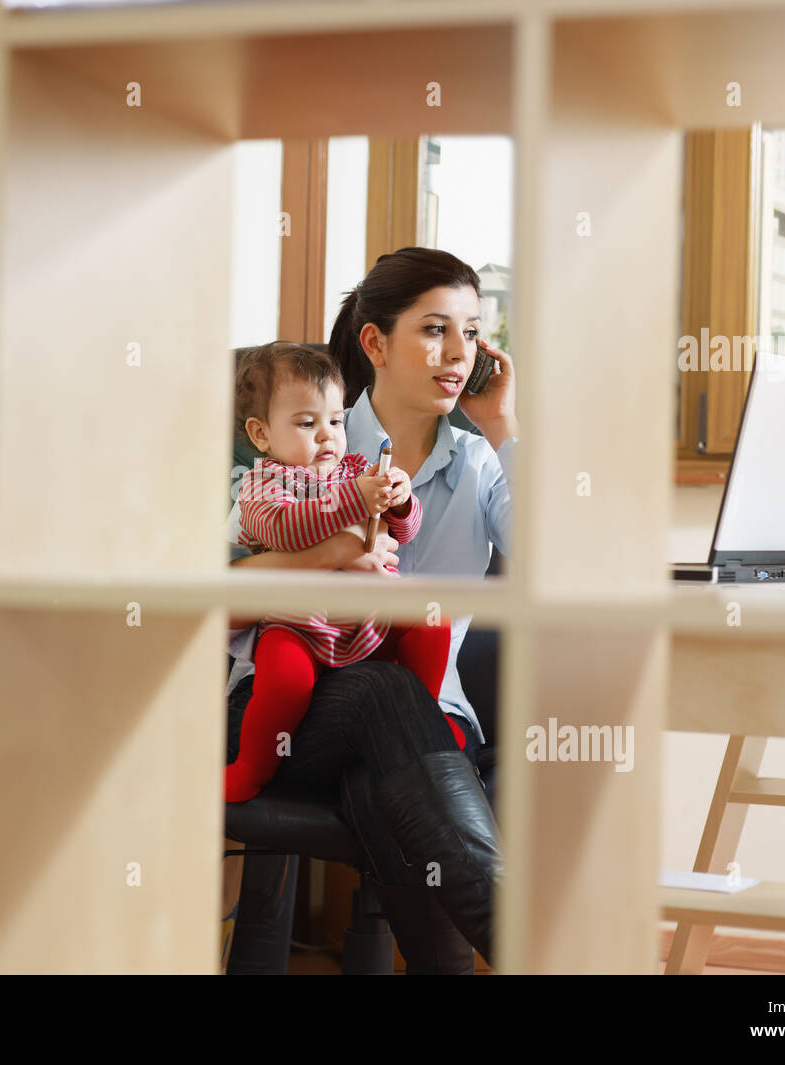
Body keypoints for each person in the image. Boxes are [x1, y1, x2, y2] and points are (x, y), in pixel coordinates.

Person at [225, 246, 517, 974]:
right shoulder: (304, 434)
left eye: (472, 333)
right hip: (283, 707)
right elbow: (209, 597)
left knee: (387, 743)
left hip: (416, 725)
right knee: (389, 698)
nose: (458, 353)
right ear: (375, 342)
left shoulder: (481, 464)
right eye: (434, 329)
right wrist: (324, 558)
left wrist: (504, 426)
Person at [225, 342, 458, 803]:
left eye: (335, 420)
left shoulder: (352, 470)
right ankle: (252, 764)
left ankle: (425, 714)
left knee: (432, 614)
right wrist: (355, 501)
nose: (328, 436)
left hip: (367, 618)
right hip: (298, 624)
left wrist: (401, 499)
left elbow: (403, 533)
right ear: (261, 434)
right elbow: (286, 529)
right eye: (307, 423)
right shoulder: (261, 486)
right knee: (286, 682)